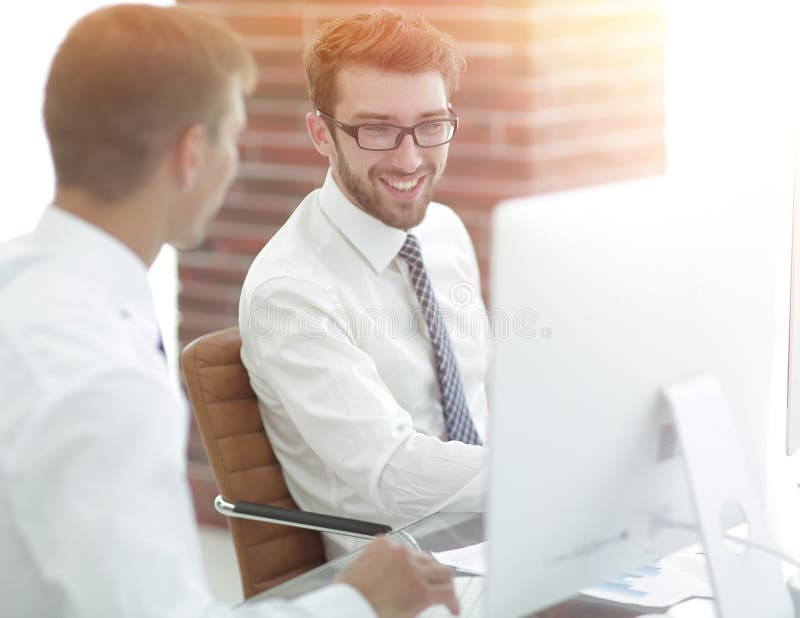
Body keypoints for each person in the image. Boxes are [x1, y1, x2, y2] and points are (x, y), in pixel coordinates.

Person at [0, 5, 457, 618]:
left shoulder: (27, 287)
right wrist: (357, 602)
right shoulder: (106, 386)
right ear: (193, 153)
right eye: (233, 137)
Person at [239, 8, 489, 559]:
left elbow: (479, 398)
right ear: (321, 134)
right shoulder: (290, 291)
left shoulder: (443, 230)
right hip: (398, 577)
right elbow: (393, 478)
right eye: (377, 129)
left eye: (430, 125)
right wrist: (545, 471)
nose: (409, 158)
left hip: (503, 538)